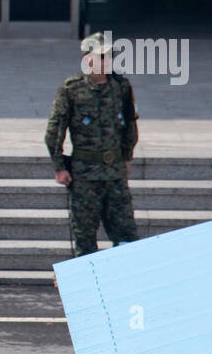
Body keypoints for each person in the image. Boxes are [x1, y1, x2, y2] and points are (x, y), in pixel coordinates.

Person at [45, 31, 140, 257]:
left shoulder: (121, 87)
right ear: (88, 59)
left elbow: (130, 124)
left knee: (127, 236)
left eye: (110, 56)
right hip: (84, 176)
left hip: (114, 174)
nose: (107, 61)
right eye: (102, 56)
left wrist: (127, 156)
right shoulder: (72, 89)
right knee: (85, 239)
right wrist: (59, 166)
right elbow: (55, 130)